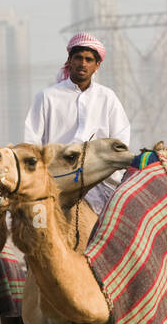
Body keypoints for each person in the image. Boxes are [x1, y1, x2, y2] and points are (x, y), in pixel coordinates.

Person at [24, 30, 130, 215]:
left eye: (89, 60)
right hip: (57, 177)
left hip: (100, 177)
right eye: (78, 58)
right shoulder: (47, 96)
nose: (83, 63)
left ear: (97, 65)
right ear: (70, 60)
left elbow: (121, 138)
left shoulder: (107, 97)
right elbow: (31, 140)